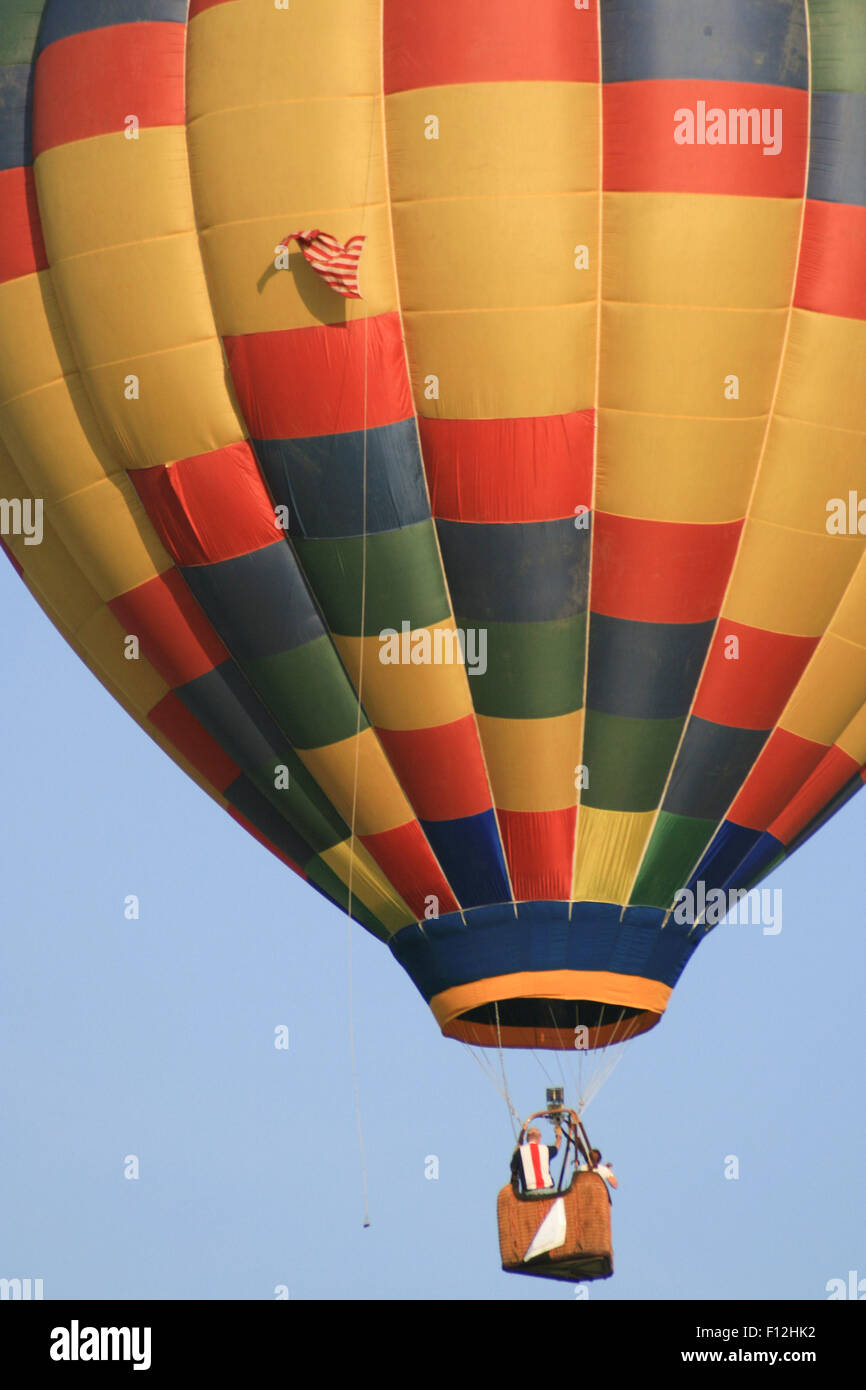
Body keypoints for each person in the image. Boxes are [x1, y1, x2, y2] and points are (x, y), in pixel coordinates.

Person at [511, 1123, 562, 1194]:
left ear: (527, 1138)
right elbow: (557, 1147)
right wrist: (559, 1135)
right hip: (548, 1190)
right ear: (539, 1137)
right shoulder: (545, 1149)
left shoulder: (520, 1151)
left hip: (529, 1192)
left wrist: (521, 1138)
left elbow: (513, 1167)